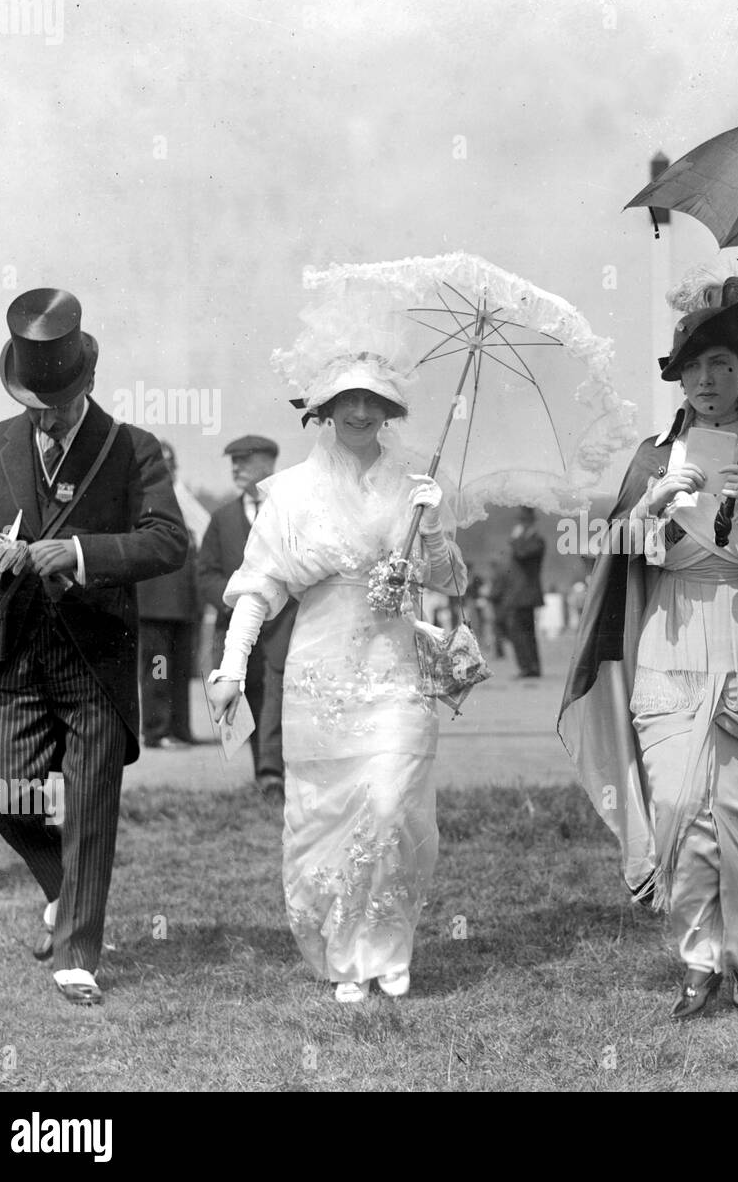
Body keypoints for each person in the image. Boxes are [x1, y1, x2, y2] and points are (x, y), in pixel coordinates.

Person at [559, 268, 738, 1019]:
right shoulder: (652, 457)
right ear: (679, 378)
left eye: (723, 364)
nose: (709, 379)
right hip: (670, 647)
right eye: (695, 367)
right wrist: (651, 511)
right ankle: (697, 955)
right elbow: (615, 552)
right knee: (681, 804)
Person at [207, 352, 468, 1001]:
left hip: (396, 667)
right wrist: (231, 667)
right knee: (332, 817)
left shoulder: (413, 483)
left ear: (389, 411)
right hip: (321, 672)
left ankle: (388, 939)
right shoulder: (291, 491)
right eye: (347, 399)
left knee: (393, 805)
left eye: (374, 400)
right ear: (322, 410)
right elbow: (258, 585)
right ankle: (349, 952)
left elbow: (452, 579)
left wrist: (431, 530)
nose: (360, 411)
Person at [0, 288, 187, 1004]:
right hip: (15, 649)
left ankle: (78, 953)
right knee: (2, 794)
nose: (48, 415)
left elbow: (168, 540)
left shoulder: (131, 449)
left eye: (59, 400)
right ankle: (66, 892)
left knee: (90, 803)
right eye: (37, 403)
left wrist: (81, 553)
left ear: (87, 380)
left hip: (97, 652)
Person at [198, 435, 297, 797]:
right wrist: (231, 602)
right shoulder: (222, 518)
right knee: (245, 699)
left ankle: (270, 774)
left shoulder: (289, 511)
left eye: (244, 460)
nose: (235, 468)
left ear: (269, 464)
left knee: (274, 695)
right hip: (234, 628)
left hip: (281, 624)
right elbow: (204, 571)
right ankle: (262, 770)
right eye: (233, 460)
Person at [136, 441, 207, 749]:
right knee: (159, 667)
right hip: (155, 607)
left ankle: (179, 727)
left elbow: (204, 529)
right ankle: (157, 729)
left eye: (170, 463)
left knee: (178, 668)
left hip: (182, 604)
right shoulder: (142, 499)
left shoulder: (181, 497)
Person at [503, 506, 545, 678]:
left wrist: (515, 538)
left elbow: (522, 554)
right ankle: (530, 666)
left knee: (520, 631)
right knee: (525, 631)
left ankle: (529, 667)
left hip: (526, 593)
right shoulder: (530, 540)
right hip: (521, 593)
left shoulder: (537, 541)